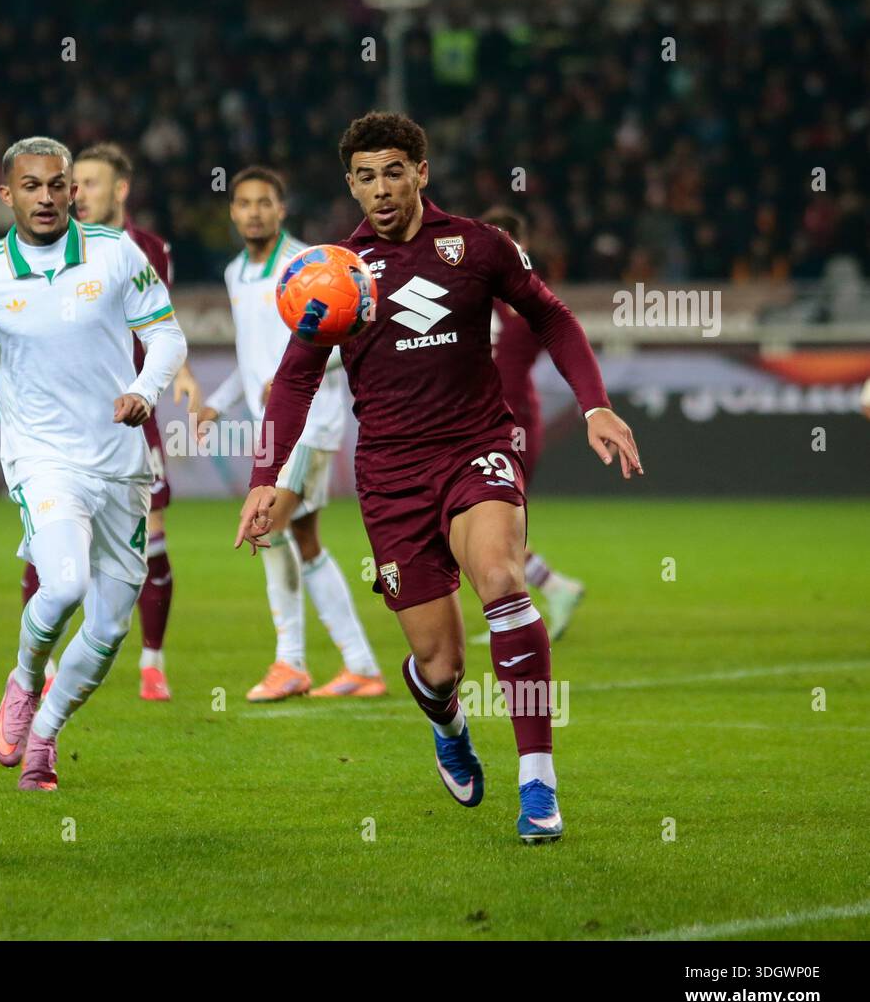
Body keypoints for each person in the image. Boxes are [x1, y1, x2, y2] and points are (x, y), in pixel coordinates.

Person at [234, 113, 642, 842]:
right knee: (439, 662)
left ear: (422, 172)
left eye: (394, 171)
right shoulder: (338, 274)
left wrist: (596, 405)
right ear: (350, 184)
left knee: (503, 579)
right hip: (391, 476)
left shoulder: (478, 245)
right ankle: (448, 723)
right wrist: (268, 474)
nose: (381, 188)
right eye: (365, 176)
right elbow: (293, 382)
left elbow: (551, 318)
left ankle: (538, 783)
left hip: (477, 446)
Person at [0, 137, 186, 791]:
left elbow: (167, 334)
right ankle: (25, 680)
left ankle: (46, 734)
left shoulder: (117, 254)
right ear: (7, 195)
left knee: (112, 625)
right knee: (62, 584)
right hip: (43, 459)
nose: (47, 197)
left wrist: (145, 390)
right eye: (31, 186)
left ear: (73, 191)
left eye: (57, 184)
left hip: (122, 462)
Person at [18, 142, 200, 701]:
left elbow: (157, 325)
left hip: (129, 415)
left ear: (119, 189)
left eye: (90, 184)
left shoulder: (145, 249)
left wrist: (179, 373)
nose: (78, 196)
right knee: (47, 546)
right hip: (61, 422)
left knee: (153, 539)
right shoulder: (51, 247)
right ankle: (39, 668)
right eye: (77, 185)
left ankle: (152, 661)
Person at [199, 165, 384, 701]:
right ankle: (361, 667)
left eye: (264, 202)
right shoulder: (237, 273)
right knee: (301, 541)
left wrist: (293, 377)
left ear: (281, 209)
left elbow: (346, 339)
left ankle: (291, 663)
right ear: (232, 212)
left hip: (311, 423)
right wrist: (217, 402)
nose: (254, 211)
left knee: (268, 529)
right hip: (274, 430)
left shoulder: (313, 265)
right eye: (243, 203)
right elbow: (251, 356)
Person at [467, 207, 585, 644]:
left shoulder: (524, 296)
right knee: (477, 528)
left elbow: (564, 333)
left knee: (486, 527)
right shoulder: (472, 290)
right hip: (479, 422)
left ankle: (530, 606)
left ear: (521, 246)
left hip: (510, 423)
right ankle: (547, 593)